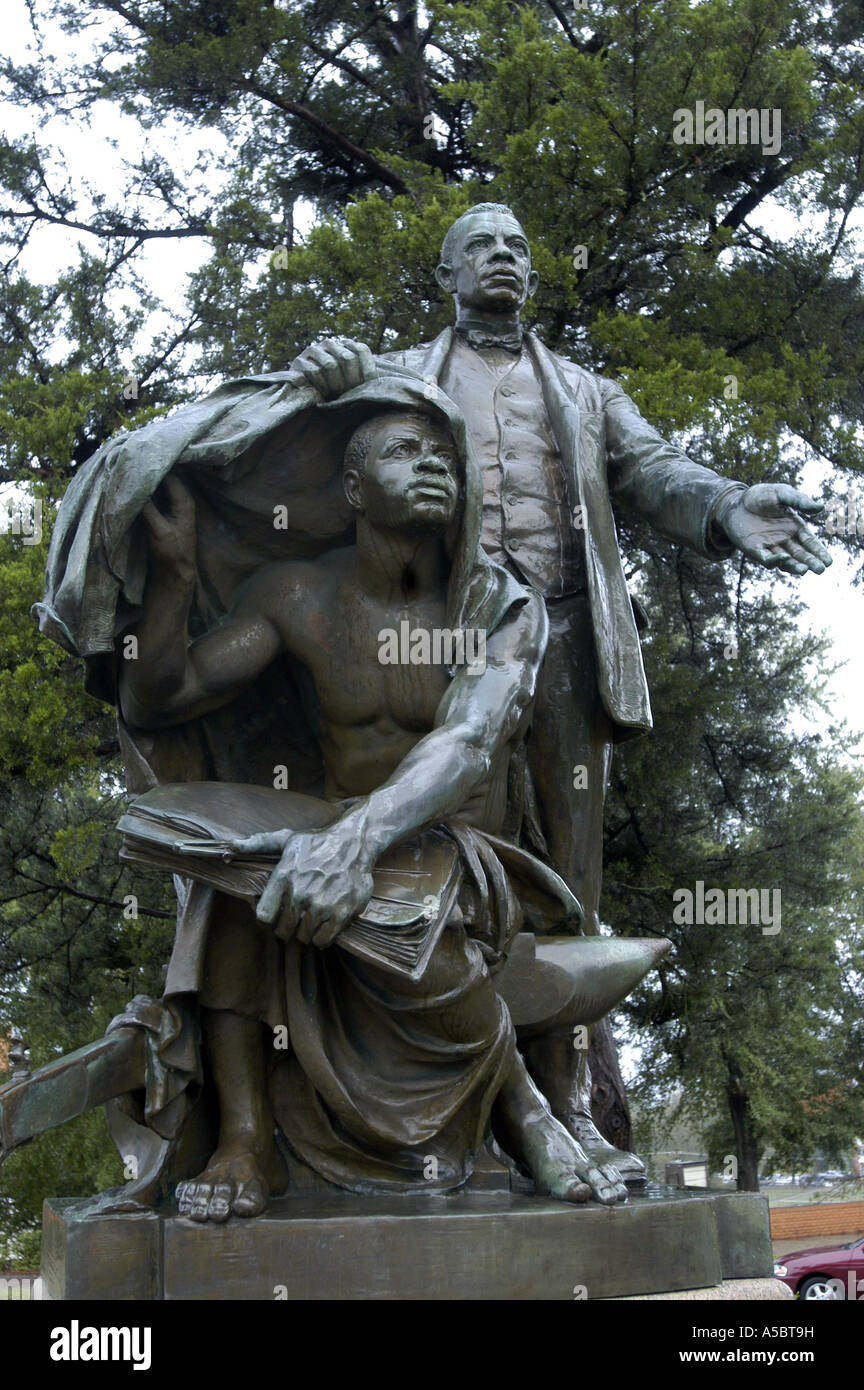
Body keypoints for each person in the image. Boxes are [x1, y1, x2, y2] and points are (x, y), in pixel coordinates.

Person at [283, 204, 832, 1178]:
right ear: (448, 268)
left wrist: (725, 503)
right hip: (454, 642)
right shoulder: (402, 378)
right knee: (461, 870)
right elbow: (321, 466)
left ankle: (570, 1109)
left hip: (572, 639)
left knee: (568, 890)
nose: (505, 254)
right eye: (484, 242)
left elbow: (653, 467)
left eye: (520, 244)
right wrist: (323, 387)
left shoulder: (582, 389)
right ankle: (476, 1113)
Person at [117, 378, 629, 1221]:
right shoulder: (297, 594)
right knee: (229, 883)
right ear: (352, 489)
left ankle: (523, 1107)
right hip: (328, 826)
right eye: (403, 451)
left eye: (443, 457)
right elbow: (160, 700)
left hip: (456, 844)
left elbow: (468, 742)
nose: (431, 465)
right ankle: (245, 1139)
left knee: (412, 911)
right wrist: (172, 579)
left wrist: (354, 844)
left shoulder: (498, 605)